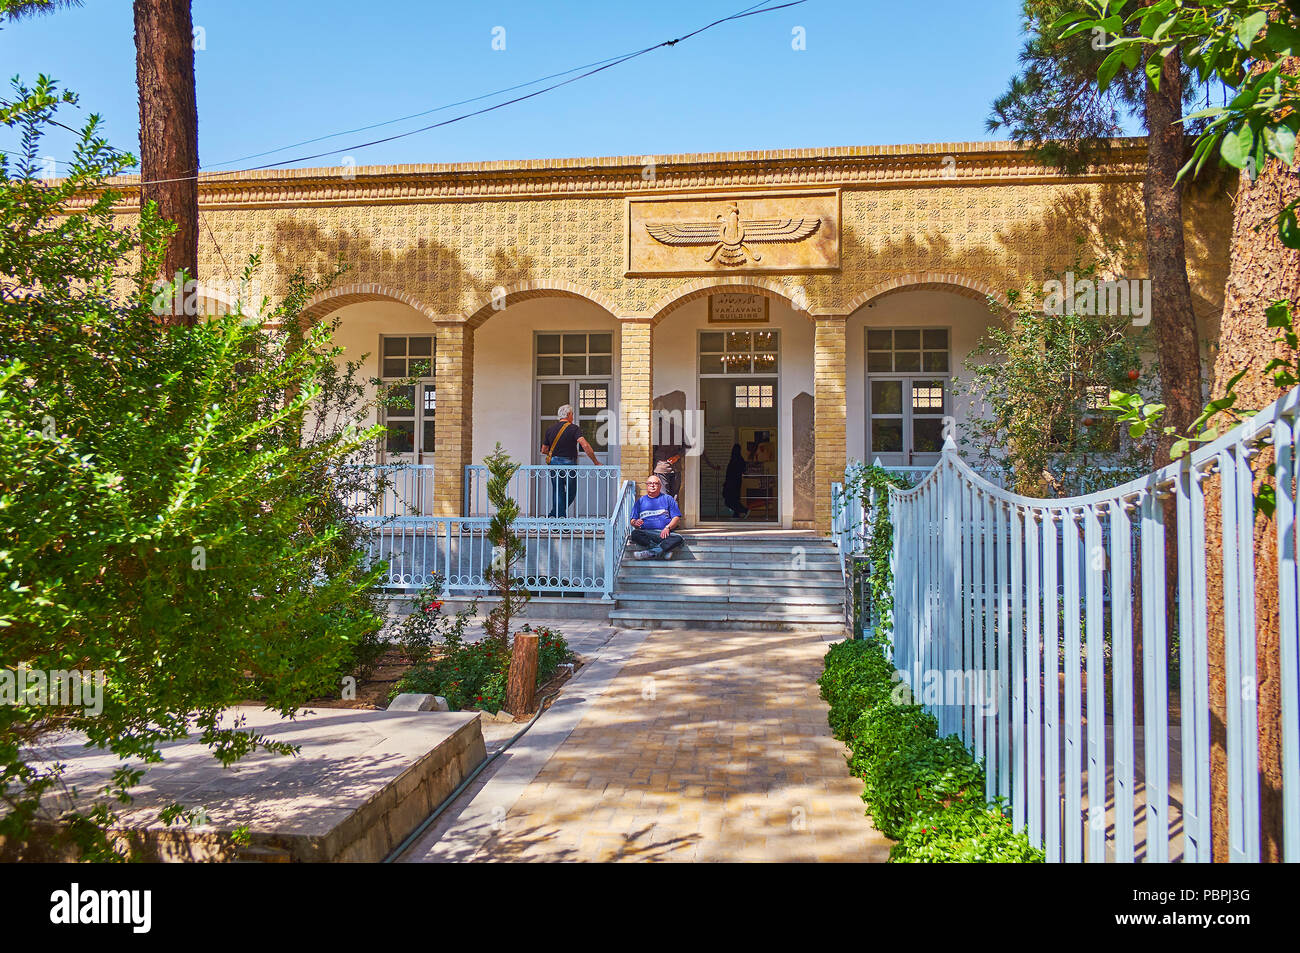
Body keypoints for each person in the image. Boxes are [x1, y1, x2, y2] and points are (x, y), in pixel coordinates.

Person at [540, 404, 602, 517]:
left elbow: (544, 450)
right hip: (569, 463)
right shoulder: (574, 428)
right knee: (571, 492)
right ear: (568, 415)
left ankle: (555, 516)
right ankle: (560, 519)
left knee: (557, 491)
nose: (572, 417)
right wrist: (596, 462)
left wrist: (554, 454)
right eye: (572, 414)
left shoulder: (550, 429)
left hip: (554, 463)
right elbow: (585, 445)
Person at [629, 474, 685, 560]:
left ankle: (651, 552)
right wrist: (635, 523)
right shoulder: (640, 501)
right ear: (647, 486)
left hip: (664, 533)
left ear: (660, 486)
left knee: (678, 538)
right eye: (650, 483)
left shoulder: (668, 499)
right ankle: (662, 550)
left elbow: (676, 518)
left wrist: (667, 528)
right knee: (635, 534)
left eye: (655, 483)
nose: (652, 485)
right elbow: (632, 520)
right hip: (647, 533)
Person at [722, 443, 750, 519]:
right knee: (735, 499)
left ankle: (744, 510)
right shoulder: (741, 460)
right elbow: (744, 470)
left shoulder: (733, 460)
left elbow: (729, 473)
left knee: (729, 500)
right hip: (737, 482)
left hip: (731, 483)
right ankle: (736, 514)